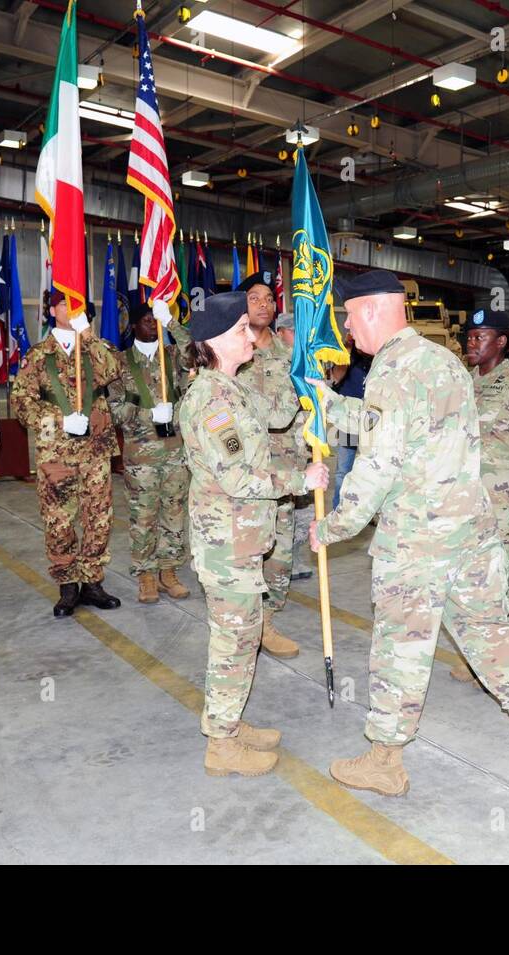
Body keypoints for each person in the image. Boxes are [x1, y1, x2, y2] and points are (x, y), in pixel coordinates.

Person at [308, 270, 509, 797]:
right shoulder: (441, 360)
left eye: (350, 317)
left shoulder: (390, 370)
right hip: (470, 533)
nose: (348, 332)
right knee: (495, 639)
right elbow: (399, 424)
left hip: (417, 543)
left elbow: (378, 464)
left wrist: (332, 526)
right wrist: (329, 405)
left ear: (374, 310)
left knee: (400, 649)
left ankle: (385, 761)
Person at [178, 291, 329, 777]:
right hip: (227, 544)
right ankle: (220, 743)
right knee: (233, 644)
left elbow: (276, 417)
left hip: (241, 540)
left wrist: (311, 386)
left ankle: (230, 723)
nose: (251, 336)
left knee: (240, 640)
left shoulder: (232, 387)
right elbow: (237, 478)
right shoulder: (210, 402)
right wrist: (298, 481)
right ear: (219, 338)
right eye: (243, 329)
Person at [9, 289, 124, 617]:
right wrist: (57, 421)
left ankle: (92, 582)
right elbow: (21, 402)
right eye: (64, 303)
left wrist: (87, 334)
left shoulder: (96, 348)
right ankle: (67, 585)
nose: (71, 309)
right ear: (51, 309)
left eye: (77, 305)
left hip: (96, 449)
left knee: (98, 519)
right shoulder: (38, 354)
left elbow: (113, 373)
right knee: (59, 521)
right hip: (56, 452)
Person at [450, 309, 509, 684]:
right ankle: (482, 660)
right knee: (474, 585)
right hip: (467, 504)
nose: (471, 343)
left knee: (505, 582)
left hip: (504, 506)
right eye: (469, 337)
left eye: (480, 337)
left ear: (503, 341)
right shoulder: (464, 382)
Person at [234, 271, 305, 658]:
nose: (264, 304)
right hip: (244, 472)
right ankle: (245, 624)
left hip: (285, 469)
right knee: (247, 548)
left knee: (280, 553)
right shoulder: (230, 353)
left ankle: (267, 621)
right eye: (254, 298)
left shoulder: (289, 352)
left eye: (269, 299)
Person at [108, 299, 193, 604]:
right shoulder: (119, 363)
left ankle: (168, 572)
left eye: (154, 320)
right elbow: (114, 411)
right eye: (147, 320)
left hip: (174, 452)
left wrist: (170, 321)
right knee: (143, 517)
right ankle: (146, 576)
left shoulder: (171, 356)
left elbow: (193, 351)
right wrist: (148, 414)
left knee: (174, 512)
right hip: (141, 455)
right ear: (133, 326)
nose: (151, 325)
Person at [274, 311, 315, 581]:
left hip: (305, 447)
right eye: (293, 331)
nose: (298, 337)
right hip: (281, 450)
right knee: (281, 510)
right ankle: (278, 562)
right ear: (280, 333)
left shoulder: (305, 362)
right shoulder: (273, 365)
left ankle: (296, 556)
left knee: (305, 507)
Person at [330, 335, 370, 510]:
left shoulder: (381, 355)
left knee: (371, 470)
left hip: (374, 421)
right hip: (349, 420)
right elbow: (336, 377)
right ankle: (338, 510)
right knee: (343, 472)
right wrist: (347, 349)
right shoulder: (347, 355)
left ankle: (367, 513)